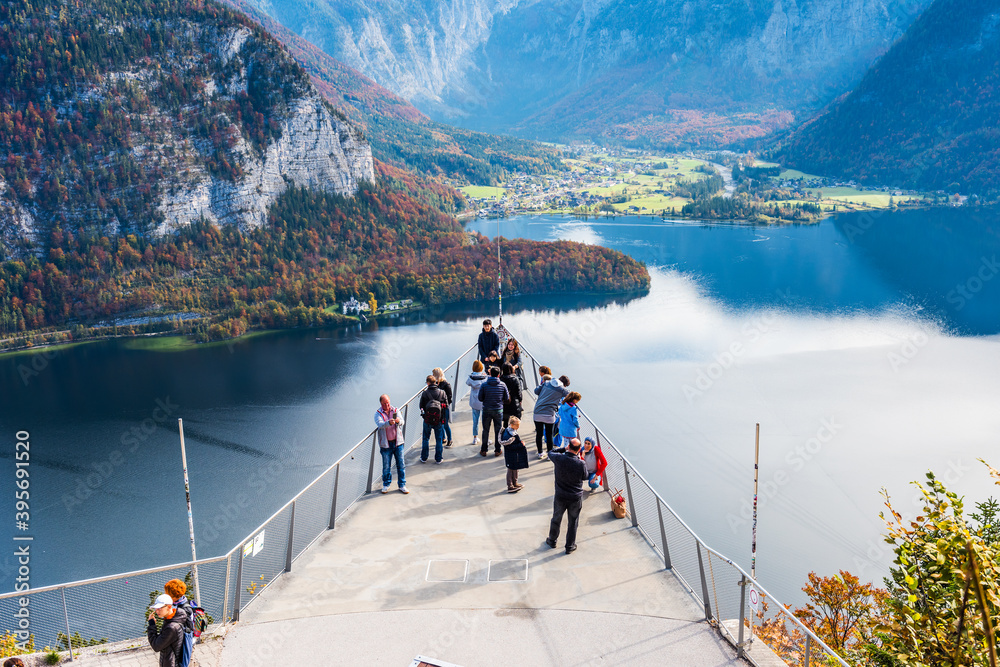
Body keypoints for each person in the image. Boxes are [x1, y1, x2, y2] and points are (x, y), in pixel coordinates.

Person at [545, 438, 588, 554]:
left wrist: (563, 448)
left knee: (556, 518)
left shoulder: (559, 458)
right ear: (579, 450)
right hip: (575, 497)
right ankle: (569, 546)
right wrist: (581, 458)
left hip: (560, 495)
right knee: (573, 522)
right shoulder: (581, 463)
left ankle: (552, 540)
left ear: (568, 447)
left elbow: (550, 452)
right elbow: (585, 477)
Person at [533, 366, 568, 459]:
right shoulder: (562, 390)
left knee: (539, 434)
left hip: (537, 412)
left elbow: (536, 391)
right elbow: (569, 396)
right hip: (549, 414)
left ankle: (540, 453)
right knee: (549, 434)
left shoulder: (546, 383)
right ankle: (550, 454)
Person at [375, 394, 408, 492]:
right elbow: (380, 424)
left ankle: (402, 485)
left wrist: (398, 422)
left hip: (398, 443)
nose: (387, 405)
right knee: (386, 466)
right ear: (381, 403)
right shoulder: (377, 414)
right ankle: (386, 484)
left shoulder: (395, 410)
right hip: (386, 445)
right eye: (385, 403)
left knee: (401, 464)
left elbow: (402, 421)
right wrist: (388, 423)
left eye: (388, 402)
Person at [147, 593, 189, 667]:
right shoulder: (175, 617)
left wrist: (152, 625)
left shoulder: (171, 627)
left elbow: (156, 646)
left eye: (159, 608)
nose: (157, 611)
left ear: (169, 607)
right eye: (156, 609)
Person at [478, 365, 509, 456]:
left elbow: (480, 398)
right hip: (498, 410)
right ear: (499, 375)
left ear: (490, 373)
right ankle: (497, 450)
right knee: (498, 431)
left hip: (487, 410)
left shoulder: (484, 385)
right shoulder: (503, 385)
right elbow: (506, 398)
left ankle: (484, 450)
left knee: (485, 430)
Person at [419, 376, 448, 464]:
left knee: (426, 438)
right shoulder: (442, 393)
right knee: (438, 439)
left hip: (427, 419)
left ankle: (424, 458)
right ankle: (438, 458)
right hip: (438, 419)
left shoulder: (425, 393)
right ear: (436, 382)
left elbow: (421, 406)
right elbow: (446, 405)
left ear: (428, 383)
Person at [500, 417, 529, 493]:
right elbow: (510, 446)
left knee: (515, 468)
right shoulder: (510, 435)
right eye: (517, 425)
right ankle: (510, 486)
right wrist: (521, 444)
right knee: (510, 470)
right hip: (511, 455)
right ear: (512, 425)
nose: (518, 427)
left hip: (513, 455)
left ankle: (515, 483)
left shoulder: (508, 431)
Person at [466, 360, 487, 446]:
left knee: (475, 421)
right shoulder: (484, 378)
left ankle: (475, 438)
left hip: (474, 401)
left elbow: (467, 383)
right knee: (485, 421)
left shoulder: (471, 378)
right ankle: (485, 438)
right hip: (483, 401)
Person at [432, 368, 453, 447]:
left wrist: (445, 405)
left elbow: (449, 398)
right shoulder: (437, 384)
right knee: (440, 423)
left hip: (444, 407)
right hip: (439, 407)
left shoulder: (446, 385)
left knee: (445, 424)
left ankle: (450, 439)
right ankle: (444, 438)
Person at [500, 362, 522, 428]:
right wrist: (520, 401)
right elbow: (519, 393)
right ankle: (513, 436)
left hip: (504, 404)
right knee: (514, 424)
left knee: (505, 423)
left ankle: (505, 436)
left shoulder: (501, 379)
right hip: (514, 404)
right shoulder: (515, 379)